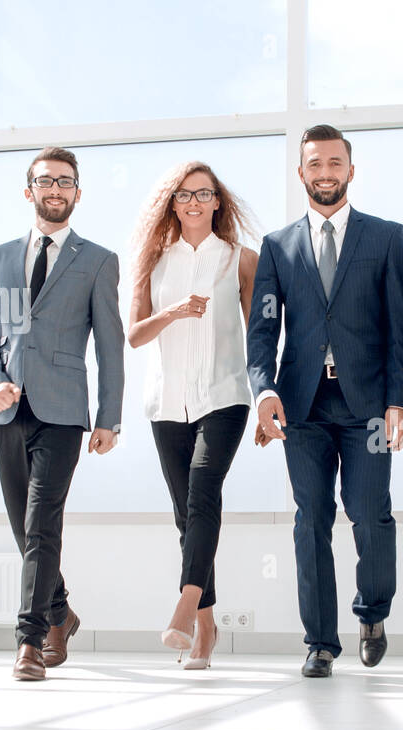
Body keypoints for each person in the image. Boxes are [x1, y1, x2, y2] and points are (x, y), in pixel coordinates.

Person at [246, 124, 403, 678]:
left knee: (369, 515)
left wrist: (399, 400)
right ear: (301, 173)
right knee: (310, 520)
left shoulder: (386, 237)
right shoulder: (277, 246)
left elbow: (399, 328)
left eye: (334, 163)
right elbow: (263, 331)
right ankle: (320, 641)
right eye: (314, 164)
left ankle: (371, 612)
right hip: (304, 407)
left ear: (350, 169)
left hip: (366, 405)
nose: (325, 173)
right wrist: (264, 389)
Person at [0, 146, 124, 681]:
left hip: (62, 410)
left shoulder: (98, 260)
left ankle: (29, 639)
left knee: (42, 523)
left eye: (64, 181)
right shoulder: (0, 258)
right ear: (28, 189)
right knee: (22, 526)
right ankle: (62, 611)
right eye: (45, 180)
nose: (54, 189)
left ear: (77, 193)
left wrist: (109, 417)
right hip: (7, 410)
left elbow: (110, 345)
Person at [128, 162, 258, 670]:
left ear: (218, 201)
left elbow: (262, 340)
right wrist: (174, 311)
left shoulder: (241, 260)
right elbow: (135, 334)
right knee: (187, 515)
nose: (195, 203)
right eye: (184, 195)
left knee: (204, 491)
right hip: (166, 402)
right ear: (172, 204)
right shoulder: (151, 261)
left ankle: (185, 607)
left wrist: (270, 400)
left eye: (204, 194)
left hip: (225, 396)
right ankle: (207, 627)